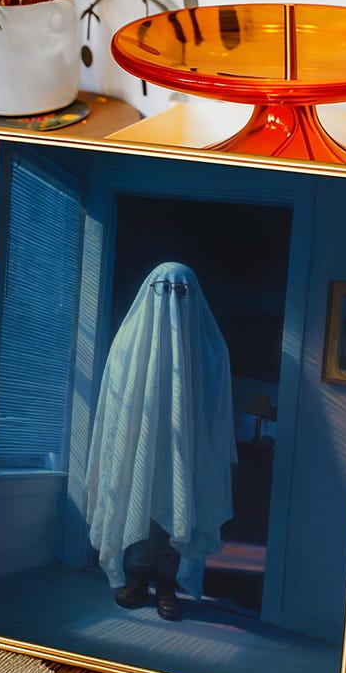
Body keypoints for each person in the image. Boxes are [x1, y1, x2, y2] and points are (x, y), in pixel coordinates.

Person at [85, 262, 236, 620]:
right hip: (140, 444)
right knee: (140, 497)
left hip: (187, 449)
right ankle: (137, 577)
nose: (172, 300)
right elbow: (115, 402)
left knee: (179, 506)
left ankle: (168, 582)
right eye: (163, 290)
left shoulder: (210, 350)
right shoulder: (128, 344)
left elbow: (217, 410)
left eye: (181, 292)